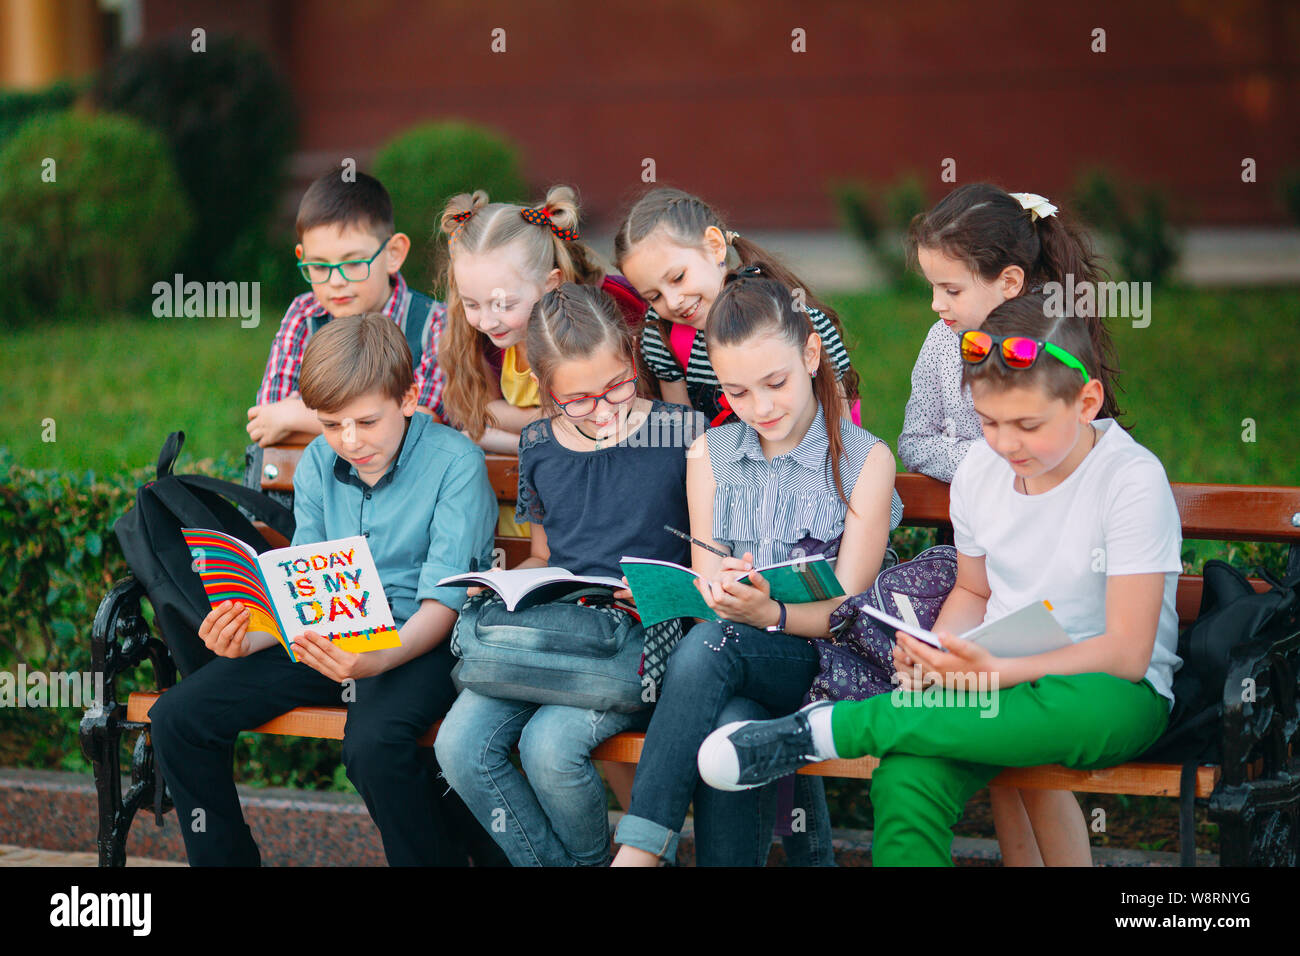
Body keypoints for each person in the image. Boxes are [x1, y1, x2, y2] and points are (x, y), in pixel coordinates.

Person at [697, 294, 1182, 868]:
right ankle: (838, 729)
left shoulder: (1130, 480)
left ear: (1086, 402)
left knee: (1056, 704)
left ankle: (833, 730)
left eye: (1028, 424)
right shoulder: (983, 467)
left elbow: (1126, 655)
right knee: (906, 779)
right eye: (989, 421)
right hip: (991, 680)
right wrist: (937, 653)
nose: (1004, 444)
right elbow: (973, 591)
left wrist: (987, 672)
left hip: (1106, 690)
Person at [151, 312, 501, 866]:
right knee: (177, 718)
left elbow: (444, 603)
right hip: (332, 637)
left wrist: (377, 660)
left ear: (409, 398)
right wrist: (252, 636)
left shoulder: (455, 463)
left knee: (374, 748)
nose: (350, 441)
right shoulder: (319, 461)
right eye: (332, 424)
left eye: (366, 422)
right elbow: (304, 587)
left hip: (422, 643)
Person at [610, 268, 901, 866]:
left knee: (718, 646)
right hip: (735, 665)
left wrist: (770, 610)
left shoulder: (863, 460)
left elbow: (850, 613)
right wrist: (719, 590)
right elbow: (705, 581)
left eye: (776, 383)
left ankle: (638, 854)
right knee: (732, 724)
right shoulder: (711, 454)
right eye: (738, 393)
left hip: (825, 662)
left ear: (811, 354)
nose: (761, 407)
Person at [435, 283, 708, 865]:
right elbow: (543, 555)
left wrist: (657, 587)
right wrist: (508, 586)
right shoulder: (540, 444)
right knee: (459, 748)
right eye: (579, 399)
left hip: (638, 634)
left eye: (616, 387)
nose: (605, 410)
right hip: (556, 631)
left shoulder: (681, 433)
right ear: (544, 386)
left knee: (549, 747)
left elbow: (704, 558)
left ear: (630, 357)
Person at [898, 183, 1127, 864]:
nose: (936, 306)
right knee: (1004, 773)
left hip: (1057, 601)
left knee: (1027, 758)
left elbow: (1082, 445)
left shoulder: (1055, 348)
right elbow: (916, 439)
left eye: (949, 289)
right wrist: (987, 462)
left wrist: (1009, 459)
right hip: (989, 573)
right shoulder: (943, 349)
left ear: (1009, 282)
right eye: (931, 288)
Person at [614, 186, 860, 426]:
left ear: (715, 245)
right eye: (654, 296)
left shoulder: (793, 318)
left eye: (678, 278)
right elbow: (686, 434)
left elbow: (841, 431)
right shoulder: (663, 337)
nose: (672, 301)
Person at [247, 170, 447, 446]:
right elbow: (267, 420)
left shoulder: (434, 324)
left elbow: (424, 428)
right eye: (319, 266)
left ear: (393, 254)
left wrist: (297, 417)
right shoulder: (306, 316)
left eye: (353, 263)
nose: (337, 282)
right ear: (302, 257)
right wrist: (383, 425)